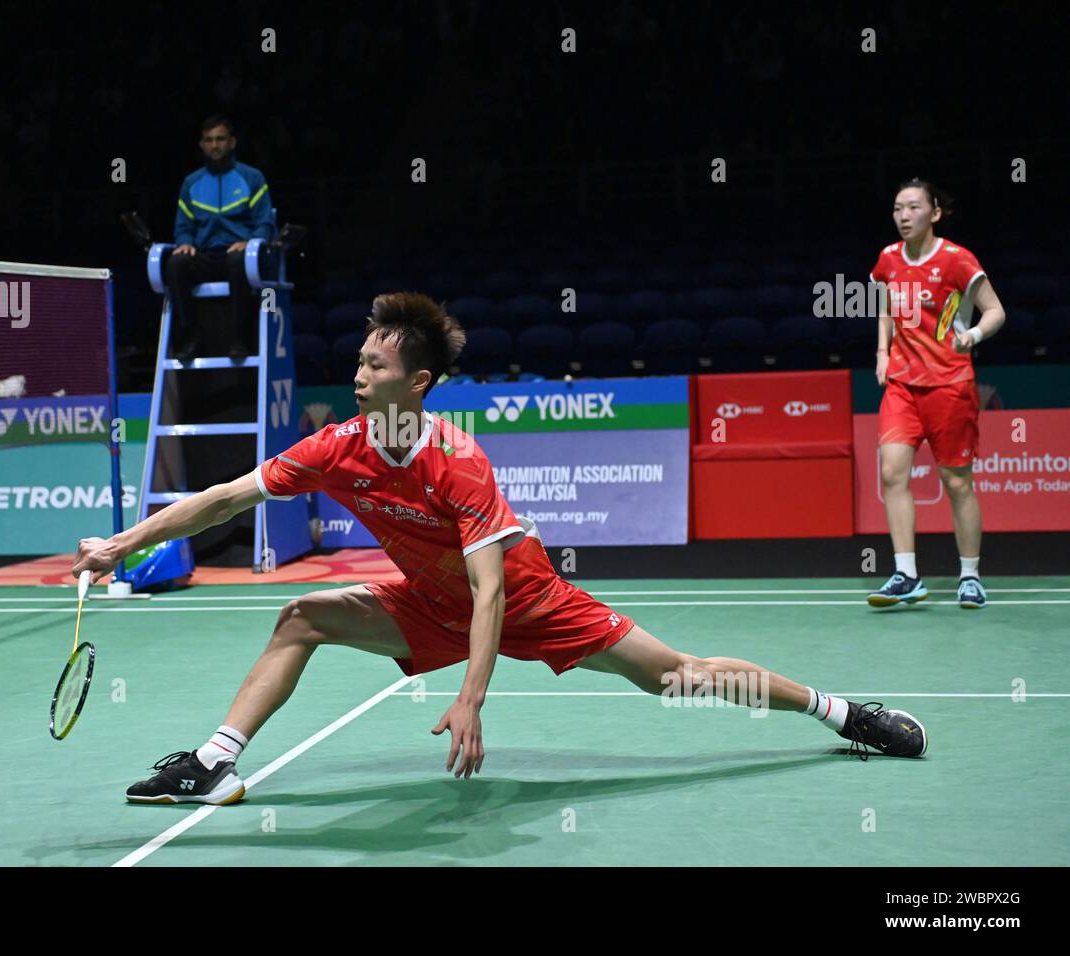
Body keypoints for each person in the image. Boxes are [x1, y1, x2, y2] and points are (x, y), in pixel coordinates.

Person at [74, 293, 928, 806]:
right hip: (433, 606)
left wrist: (473, 700)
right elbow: (224, 497)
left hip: (527, 602)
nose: (359, 374)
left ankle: (844, 714)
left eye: (375, 365)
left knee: (679, 677)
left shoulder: (458, 462)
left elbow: (493, 596)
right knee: (301, 616)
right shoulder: (337, 447)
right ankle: (213, 765)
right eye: (361, 361)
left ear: (417, 384)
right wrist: (123, 543)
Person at [867, 178, 1007, 610]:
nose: (903, 216)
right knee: (893, 474)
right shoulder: (888, 259)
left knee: (956, 481)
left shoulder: (956, 260)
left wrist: (976, 335)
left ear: (934, 213)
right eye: (897, 208)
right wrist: (882, 352)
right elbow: (887, 306)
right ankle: (907, 574)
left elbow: (996, 310)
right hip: (902, 385)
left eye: (912, 207)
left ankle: (970, 575)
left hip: (949, 384)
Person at [165, 114, 277, 362]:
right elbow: (183, 226)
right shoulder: (191, 183)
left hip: (240, 256)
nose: (215, 145)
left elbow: (264, 223)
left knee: (239, 261)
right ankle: (191, 337)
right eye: (209, 140)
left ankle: (241, 339)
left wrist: (251, 242)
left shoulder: (252, 178)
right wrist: (185, 242)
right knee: (176, 264)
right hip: (206, 256)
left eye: (220, 139)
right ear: (202, 145)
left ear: (232, 142)